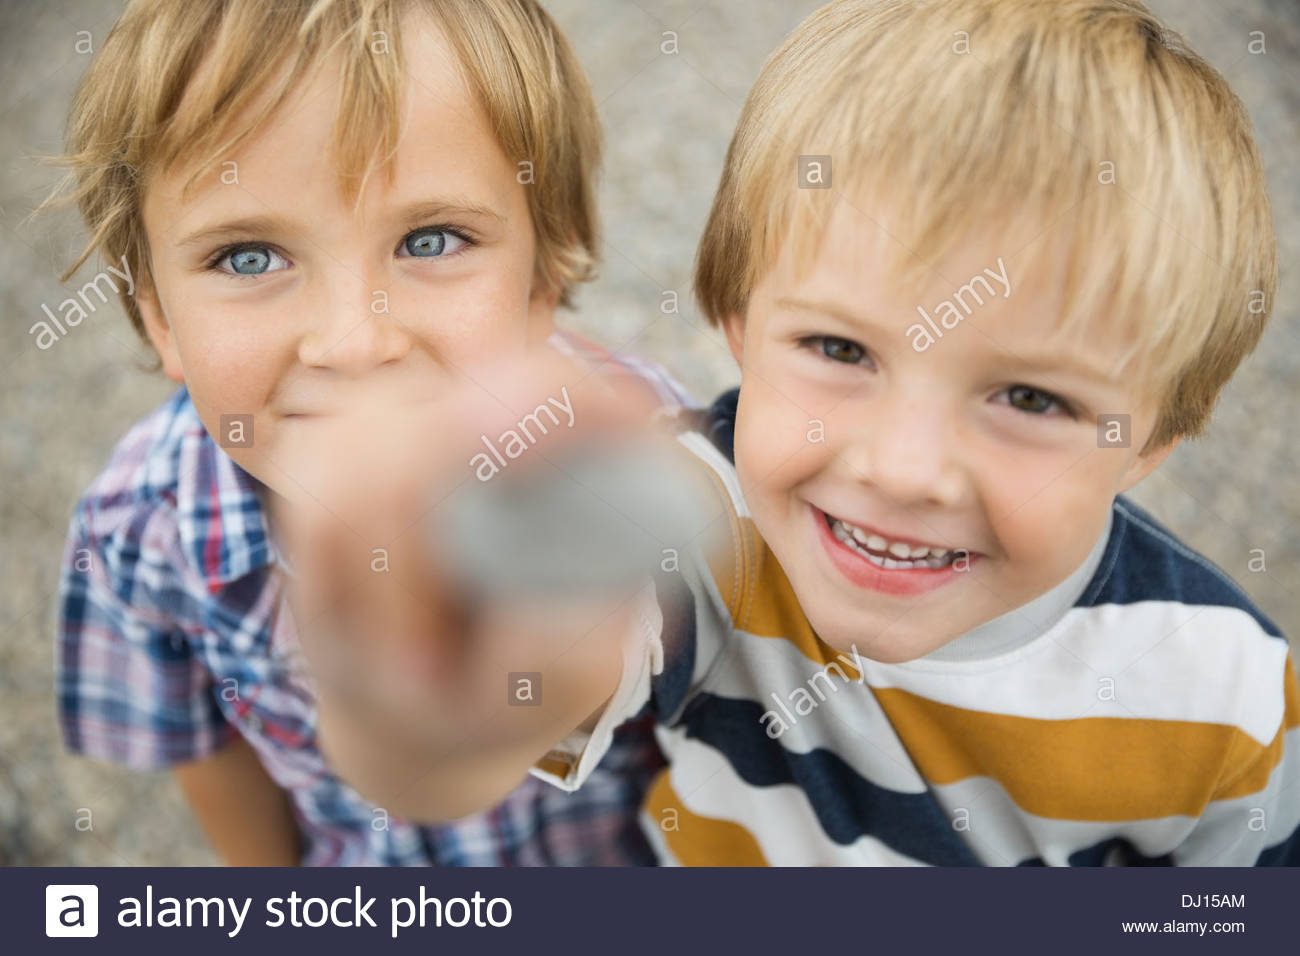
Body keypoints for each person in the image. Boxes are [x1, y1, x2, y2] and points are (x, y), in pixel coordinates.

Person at [290, 0, 1299, 865]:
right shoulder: (713, 532)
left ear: (1154, 437)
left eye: (1030, 400)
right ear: (736, 325)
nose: (900, 468)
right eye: (838, 349)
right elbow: (499, 712)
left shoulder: (1233, 706)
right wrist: (422, 682)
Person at [49, 0, 689, 866]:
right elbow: (204, 748)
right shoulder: (140, 527)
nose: (354, 342)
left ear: (545, 274)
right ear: (158, 314)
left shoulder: (641, 460)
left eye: (431, 239)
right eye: (248, 257)